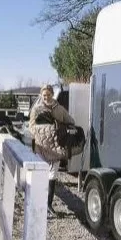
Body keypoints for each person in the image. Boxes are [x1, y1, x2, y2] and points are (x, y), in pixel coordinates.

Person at [29, 84, 74, 215]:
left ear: (52, 94)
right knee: (40, 174)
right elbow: (31, 126)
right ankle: (38, 204)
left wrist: (59, 128)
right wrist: (41, 132)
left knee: (52, 175)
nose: (46, 97)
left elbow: (71, 121)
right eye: (44, 95)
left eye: (48, 95)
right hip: (40, 147)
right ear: (41, 96)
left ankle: (48, 205)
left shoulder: (59, 109)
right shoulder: (36, 109)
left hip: (55, 148)